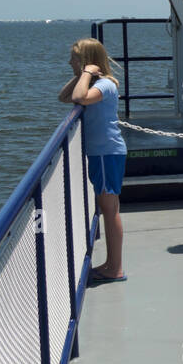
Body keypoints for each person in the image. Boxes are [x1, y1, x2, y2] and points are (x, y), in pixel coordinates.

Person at [59, 39, 127, 283]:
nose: (69, 62)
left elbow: (79, 97)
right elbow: (64, 97)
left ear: (87, 62)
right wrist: (82, 74)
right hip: (101, 154)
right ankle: (111, 264)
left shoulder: (106, 85)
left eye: (74, 59)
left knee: (110, 210)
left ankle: (115, 267)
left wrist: (85, 73)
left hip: (107, 153)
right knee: (108, 208)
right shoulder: (94, 83)